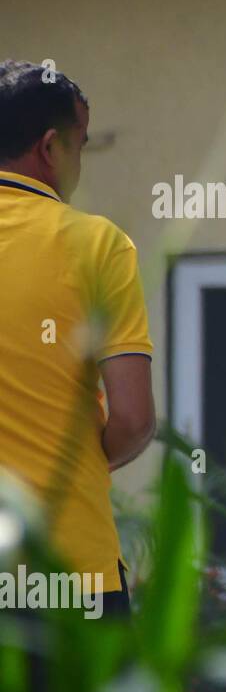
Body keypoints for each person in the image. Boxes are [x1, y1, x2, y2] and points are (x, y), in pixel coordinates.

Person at [0, 59, 155, 621]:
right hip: (72, 573)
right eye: (81, 144)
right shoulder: (98, 245)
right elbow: (134, 418)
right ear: (49, 148)